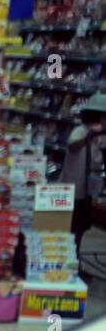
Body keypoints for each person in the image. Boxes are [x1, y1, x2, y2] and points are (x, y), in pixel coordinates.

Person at [59, 92, 106, 251]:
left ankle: (76, 254)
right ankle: (70, 254)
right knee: (71, 226)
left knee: (82, 226)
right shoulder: (80, 131)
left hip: (89, 189)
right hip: (73, 189)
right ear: (98, 116)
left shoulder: (102, 136)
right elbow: (72, 145)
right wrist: (88, 138)